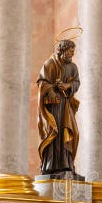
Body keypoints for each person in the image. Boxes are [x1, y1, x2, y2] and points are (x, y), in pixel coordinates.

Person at [36, 39, 82, 178]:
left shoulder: (73, 67)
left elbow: (76, 82)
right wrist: (52, 89)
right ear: (63, 50)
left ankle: (67, 164)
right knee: (54, 132)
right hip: (54, 106)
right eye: (70, 50)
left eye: (73, 51)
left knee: (71, 132)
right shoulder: (50, 63)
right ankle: (51, 165)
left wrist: (67, 86)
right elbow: (42, 82)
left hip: (65, 104)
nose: (72, 53)